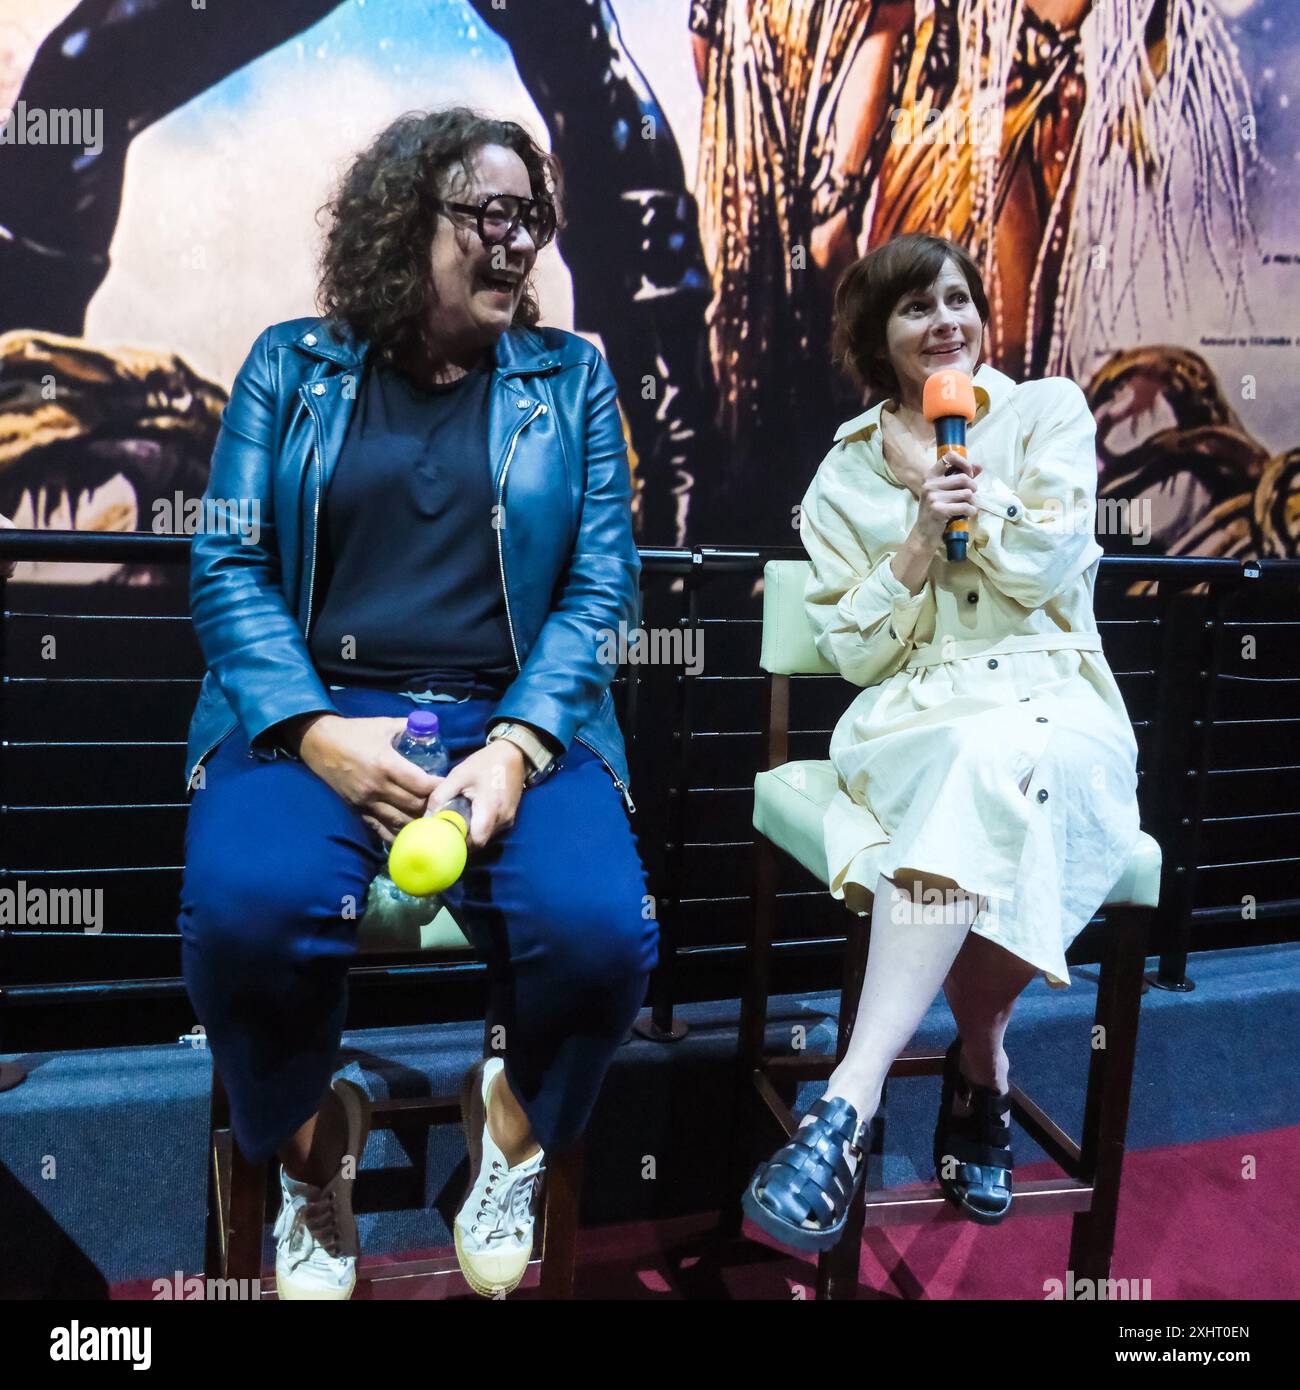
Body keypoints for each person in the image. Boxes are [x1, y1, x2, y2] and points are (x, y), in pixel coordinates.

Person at [178, 108, 658, 1300]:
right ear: (406, 221)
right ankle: (311, 1150)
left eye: (529, 220)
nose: (517, 243)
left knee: (604, 936)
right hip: (318, 712)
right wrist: (311, 730)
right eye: (489, 214)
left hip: (515, 719)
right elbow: (227, 565)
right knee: (244, 915)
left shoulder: (572, 377)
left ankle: (506, 1131)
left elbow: (603, 586)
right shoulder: (288, 364)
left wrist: (518, 744)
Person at [743, 232, 1141, 1251]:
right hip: (918, 713)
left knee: (1021, 766)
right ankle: (972, 1074)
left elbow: (1051, 568)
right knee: (976, 764)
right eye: (917, 307)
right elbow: (853, 653)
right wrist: (915, 542)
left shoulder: (1042, 411)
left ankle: (853, 1103)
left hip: (1058, 702)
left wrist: (980, 497)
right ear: (879, 335)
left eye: (959, 299)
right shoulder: (840, 478)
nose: (946, 322)